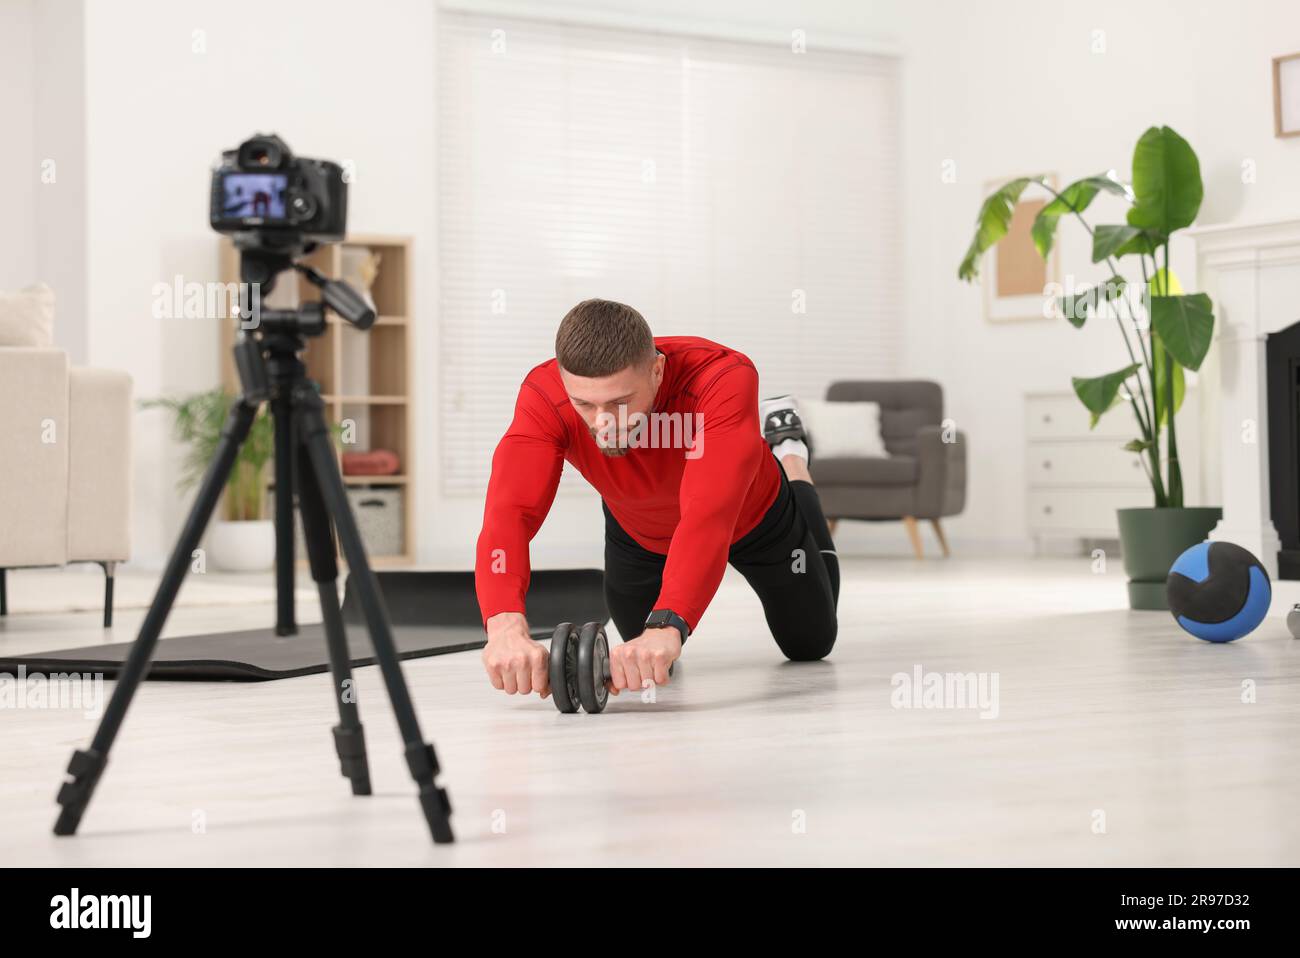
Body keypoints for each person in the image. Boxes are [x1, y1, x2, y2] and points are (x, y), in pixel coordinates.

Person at [475, 299, 839, 699]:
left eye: (619, 402)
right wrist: (504, 624)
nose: (603, 422)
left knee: (810, 644)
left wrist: (669, 624)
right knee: (638, 645)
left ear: (657, 370)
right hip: (638, 532)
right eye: (584, 404)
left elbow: (708, 512)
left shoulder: (721, 378)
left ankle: (791, 455)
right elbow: (510, 511)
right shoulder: (543, 396)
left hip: (752, 519)